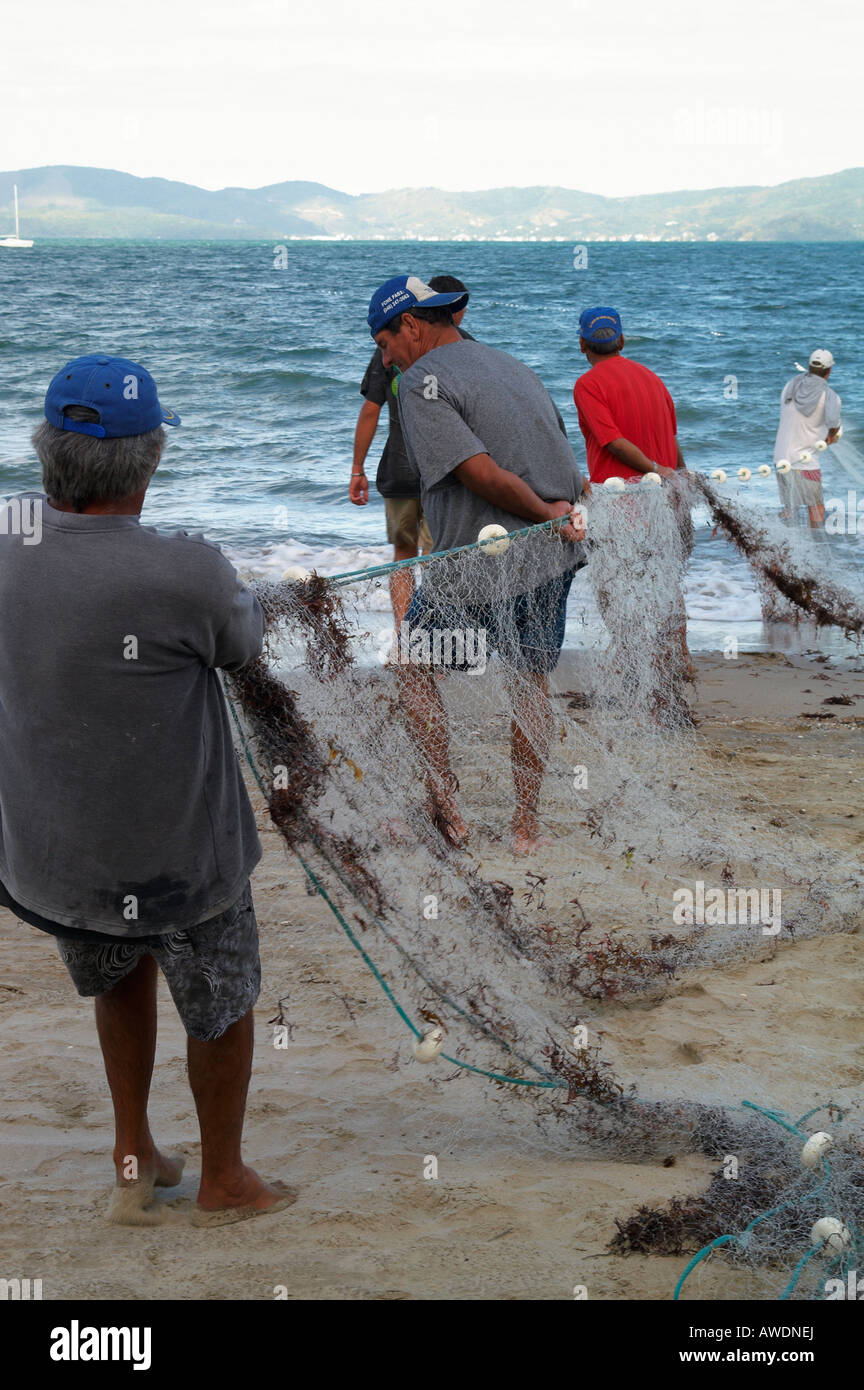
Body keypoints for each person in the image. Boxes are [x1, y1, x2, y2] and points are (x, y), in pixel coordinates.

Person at [0, 355, 292, 1228]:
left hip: (60, 862)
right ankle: (224, 1178)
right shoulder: (189, 571)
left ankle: (136, 1158)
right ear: (152, 459)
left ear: (49, 452)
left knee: (116, 975)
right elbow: (243, 640)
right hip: (181, 863)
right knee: (222, 1003)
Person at [367, 275, 588, 855]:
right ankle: (525, 827)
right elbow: (565, 459)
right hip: (553, 550)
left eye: (384, 344)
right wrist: (560, 513)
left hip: (480, 561)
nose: (386, 358)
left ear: (410, 325)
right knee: (530, 680)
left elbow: (479, 474)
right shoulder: (513, 365)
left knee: (414, 667)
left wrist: (544, 511)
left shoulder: (418, 382)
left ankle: (448, 808)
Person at [572, 306, 693, 685]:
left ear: (581, 344)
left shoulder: (588, 385)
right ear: (621, 340)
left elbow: (613, 442)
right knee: (663, 579)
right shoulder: (654, 379)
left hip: (620, 502)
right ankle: (678, 657)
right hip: (662, 502)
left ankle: (630, 660)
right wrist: (681, 481)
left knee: (616, 584)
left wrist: (654, 470)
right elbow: (673, 444)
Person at [351, 275, 472, 627]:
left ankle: (405, 640)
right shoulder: (465, 349)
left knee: (402, 556)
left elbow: (370, 409)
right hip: (441, 471)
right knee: (437, 555)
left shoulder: (387, 348)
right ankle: (429, 640)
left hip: (400, 470)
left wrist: (357, 469)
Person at [774, 349, 842, 529]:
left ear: (810, 367)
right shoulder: (830, 396)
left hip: (781, 460)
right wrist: (830, 437)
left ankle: (779, 544)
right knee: (816, 508)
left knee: (789, 509)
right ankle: (817, 548)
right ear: (829, 372)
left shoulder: (790, 386)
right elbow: (833, 425)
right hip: (806, 463)